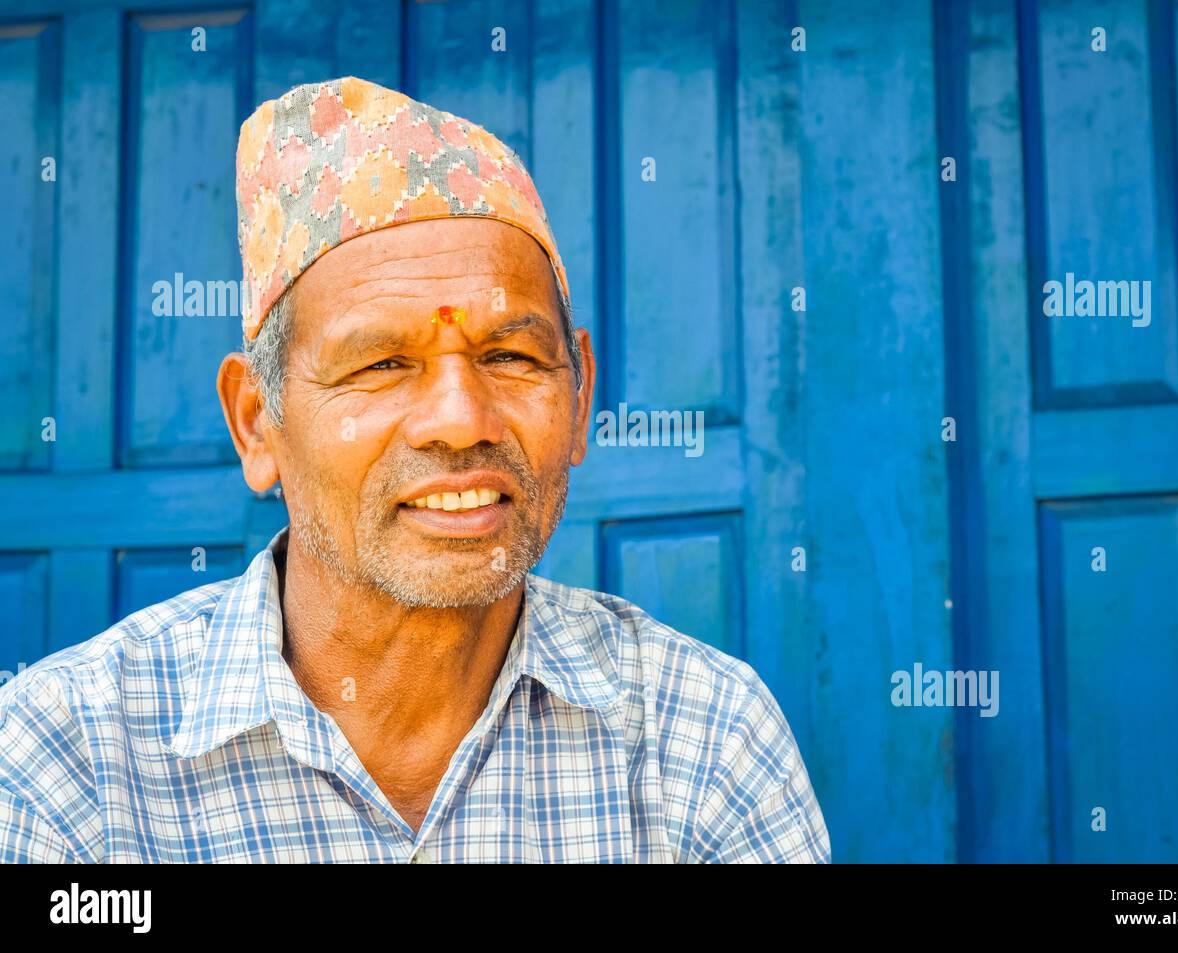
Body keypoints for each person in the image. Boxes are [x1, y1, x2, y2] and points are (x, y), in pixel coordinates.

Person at [0, 77, 829, 863]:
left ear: (579, 399)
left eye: (509, 354)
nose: (461, 419)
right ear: (258, 423)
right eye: (382, 364)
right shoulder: (69, 766)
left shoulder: (705, 737)